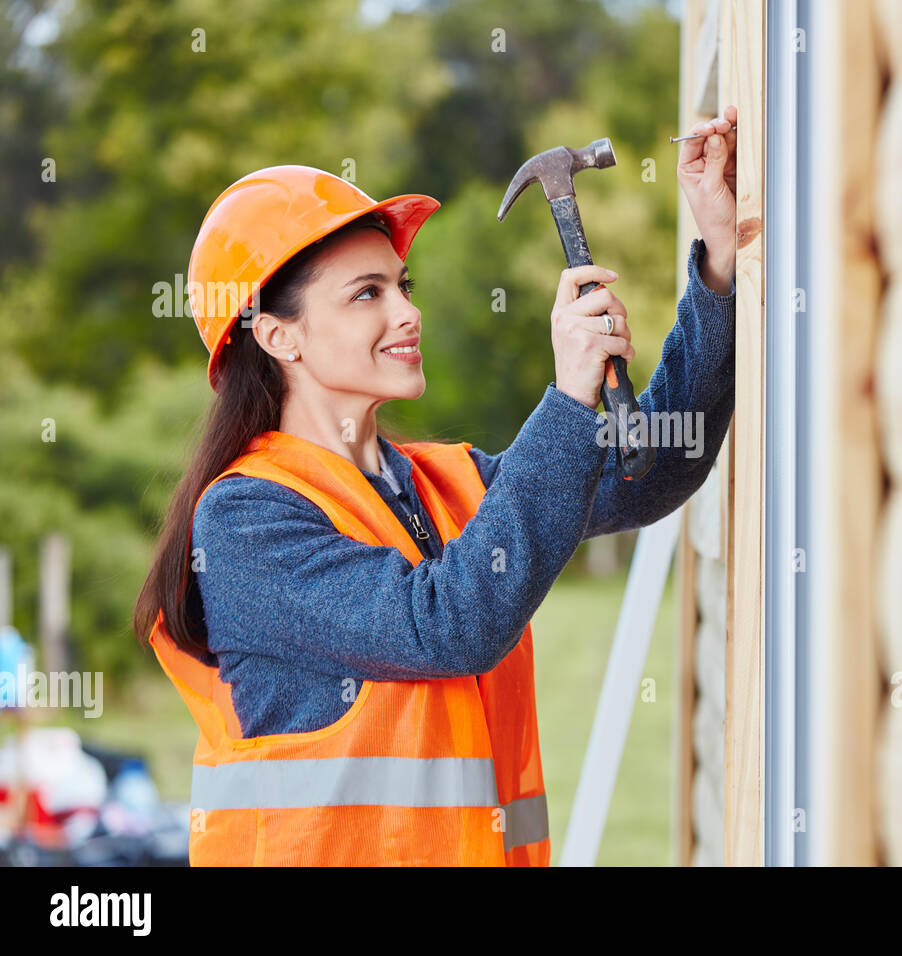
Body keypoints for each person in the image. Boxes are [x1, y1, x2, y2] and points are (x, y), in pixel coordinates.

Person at [132, 107, 739, 866]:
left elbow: (650, 472)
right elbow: (447, 624)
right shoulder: (244, 523)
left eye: (402, 286)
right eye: (367, 294)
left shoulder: (437, 484)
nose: (408, 312)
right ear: (277, 334)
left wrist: (719, 262)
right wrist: (569, 399)